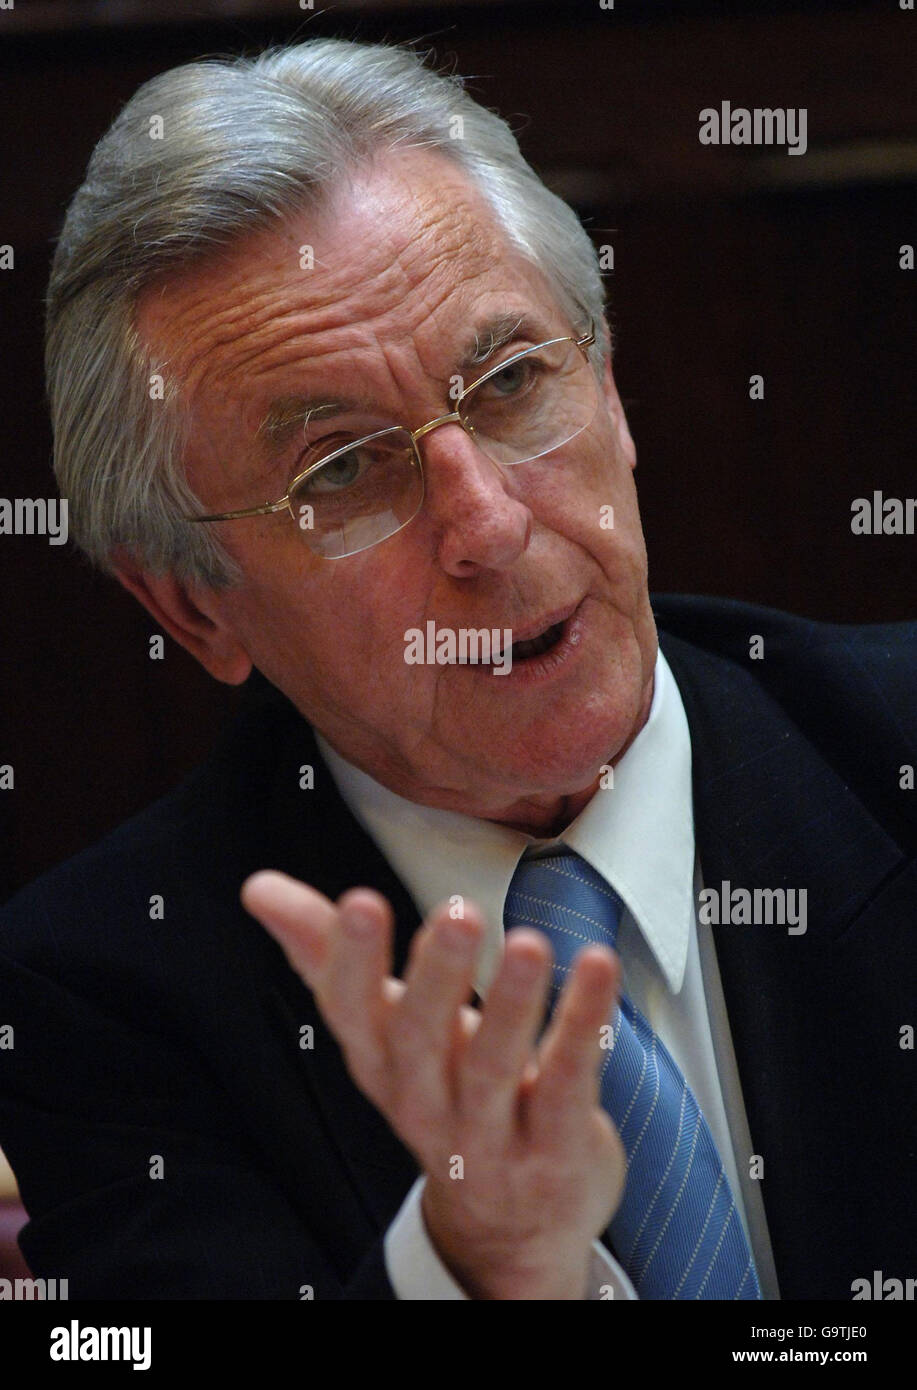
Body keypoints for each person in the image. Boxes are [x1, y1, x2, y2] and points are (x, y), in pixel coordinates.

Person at [0, 37, 913, 1302]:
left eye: (510, 381)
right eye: (339, 470)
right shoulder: (107, 998)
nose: (483, 523)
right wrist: (482, 1270)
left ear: (609, 388)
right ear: (195, 608)